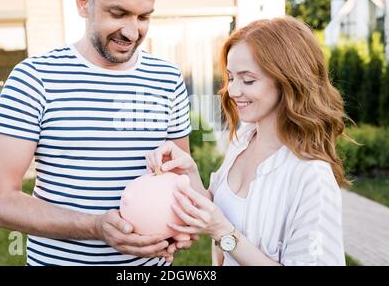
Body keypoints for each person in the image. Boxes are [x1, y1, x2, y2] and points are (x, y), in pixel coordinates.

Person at [0, 0, 194, 266]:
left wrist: (180, 224)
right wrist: (94, 227)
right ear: (83, 1)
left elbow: (178, 179)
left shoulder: (168, 79)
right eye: (118, 14)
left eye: (144, 16)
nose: (132, 32)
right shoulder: (34, 78)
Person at [146, 16, 350, 266]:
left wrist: (223, 233)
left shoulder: (311, 175)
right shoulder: (244, 139)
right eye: (231, 77)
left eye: (248, 80)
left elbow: (221, 226)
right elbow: (218, 211)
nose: (232, 91)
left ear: (288, 81)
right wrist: (188, 171)